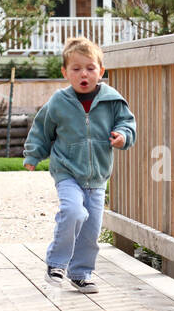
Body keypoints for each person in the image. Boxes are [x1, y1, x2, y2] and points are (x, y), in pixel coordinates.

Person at [23, 36, 136, 293]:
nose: (83, 74)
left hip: (97, 175)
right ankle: (56, 263)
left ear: (101, 71)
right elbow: (42, 129)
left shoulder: (112, 100)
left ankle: (81, 273)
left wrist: (122, 136)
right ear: (65, 72)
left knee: (91, 228)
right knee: (73, 211)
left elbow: (127, 123)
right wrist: (33, 155)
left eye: (90, 68)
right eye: (76, 69)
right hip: (67, 171)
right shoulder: (59, 102)